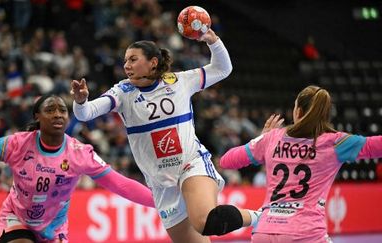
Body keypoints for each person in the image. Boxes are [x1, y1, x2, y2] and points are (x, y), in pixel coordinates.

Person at [70, 29, 260, 243]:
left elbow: (223, 69)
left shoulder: (179, 82)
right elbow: (85, 113)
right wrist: (80, 100)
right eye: (125, 61)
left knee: (205, 221)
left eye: (133, 59)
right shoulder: (122, 92)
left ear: (152, 62)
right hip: (161, 184)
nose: (126, 65)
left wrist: (213, 41)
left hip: (190, 164)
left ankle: (261, 217)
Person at [0, 94, 155, 243]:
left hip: (54, 229)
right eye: (50, 110)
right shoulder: (16, 145)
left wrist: (159, 202)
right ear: (37, 117)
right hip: (17, 218)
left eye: (62, 110)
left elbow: (120, 184)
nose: (58, 114)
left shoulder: (79, 153)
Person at [220, 85, 382, 243]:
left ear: (297, 111)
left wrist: (261, 139)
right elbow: (376, 145)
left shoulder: (272, 138)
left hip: (264, 232)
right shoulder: (335, 143)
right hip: (305, 233)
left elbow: (226, 161)